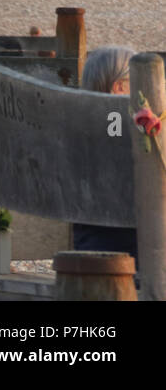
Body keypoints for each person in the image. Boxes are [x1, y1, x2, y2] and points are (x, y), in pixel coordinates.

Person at [73, 46, 139, 262]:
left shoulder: (78, 127)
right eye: (137, 82)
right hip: (131, 251)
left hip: (87, 243)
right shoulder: (118, 125)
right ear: (119, 87)